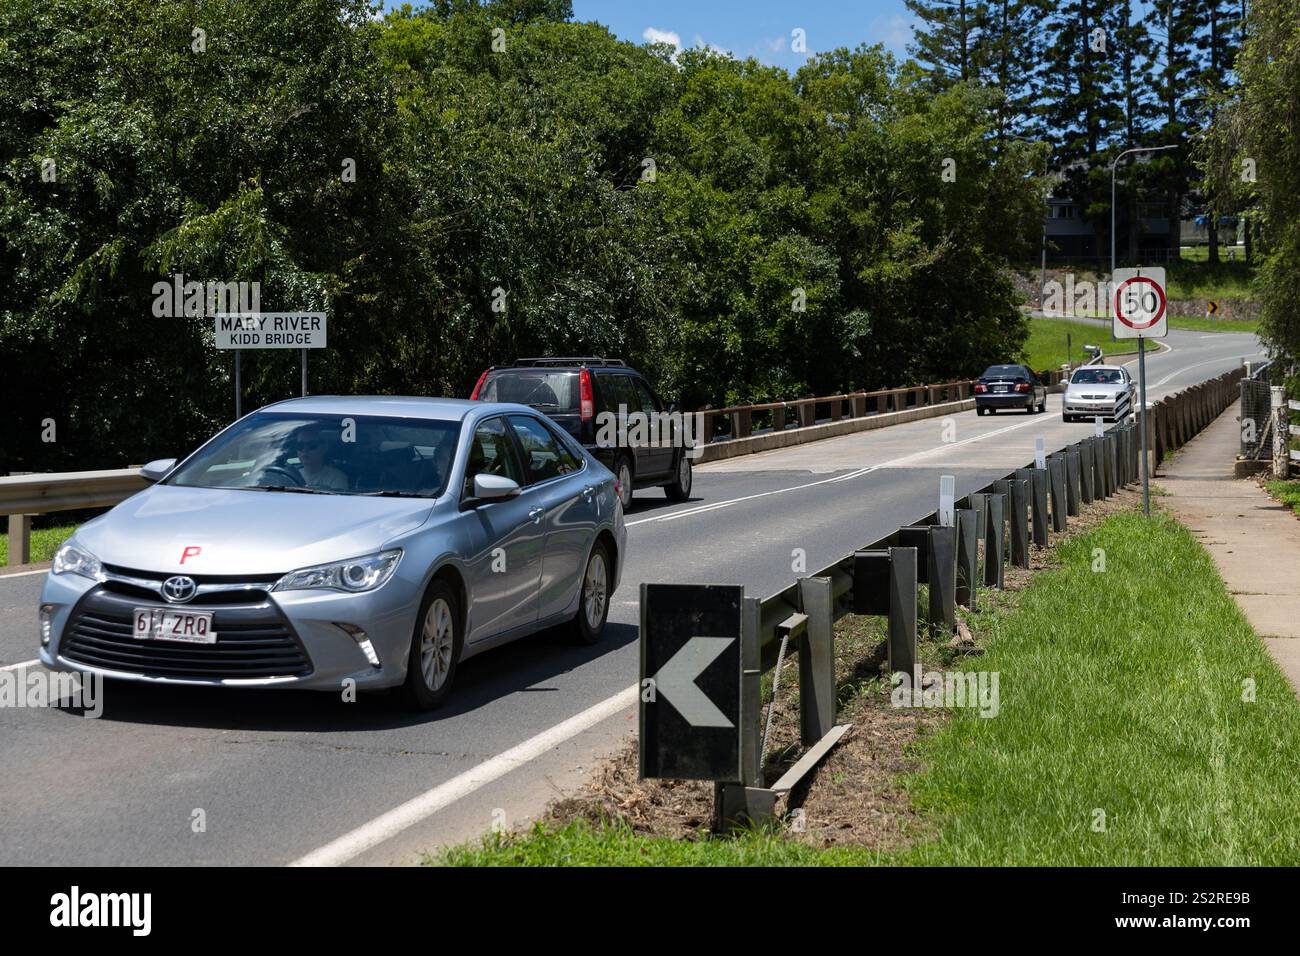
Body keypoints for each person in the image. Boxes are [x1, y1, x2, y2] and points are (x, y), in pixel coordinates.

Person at [292, 426, 349, 491]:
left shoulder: (337, 477)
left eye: (312, 445)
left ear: (324, 448)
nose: (305, 450)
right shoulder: (291, 475)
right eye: (300, 445)